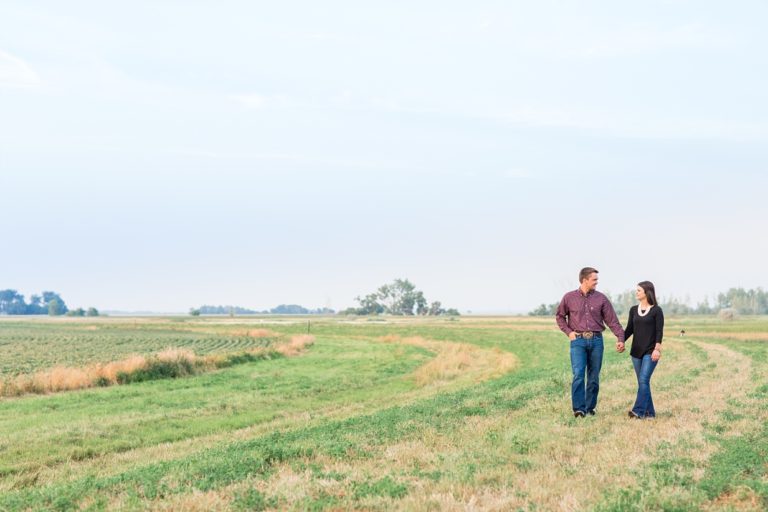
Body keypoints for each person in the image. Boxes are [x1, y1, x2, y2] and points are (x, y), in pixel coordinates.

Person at [556, 267, 626, 418]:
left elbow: (612, 321)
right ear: (584, 280)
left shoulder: (601, 298)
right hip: (578, 341)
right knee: (579, 375)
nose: (597, 282)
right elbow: (560, 317)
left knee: (594, 377)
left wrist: (620, 338)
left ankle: (589, 408)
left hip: (596, 341)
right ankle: (579, 409)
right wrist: (569, 333)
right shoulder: (569, 297)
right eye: (594, 280)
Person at [623, 281, 664, 419]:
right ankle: (650, 413)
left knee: (644, 380)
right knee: (643, 383)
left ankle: (638, 411)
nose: (636, 292)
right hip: (636, 352)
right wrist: (620, 340)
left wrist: (657, 349)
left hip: (650, 351)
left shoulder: (657, 311)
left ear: (647, 292)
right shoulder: (633, 310)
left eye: (639, 290)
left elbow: (659, 331)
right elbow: (629, 329)